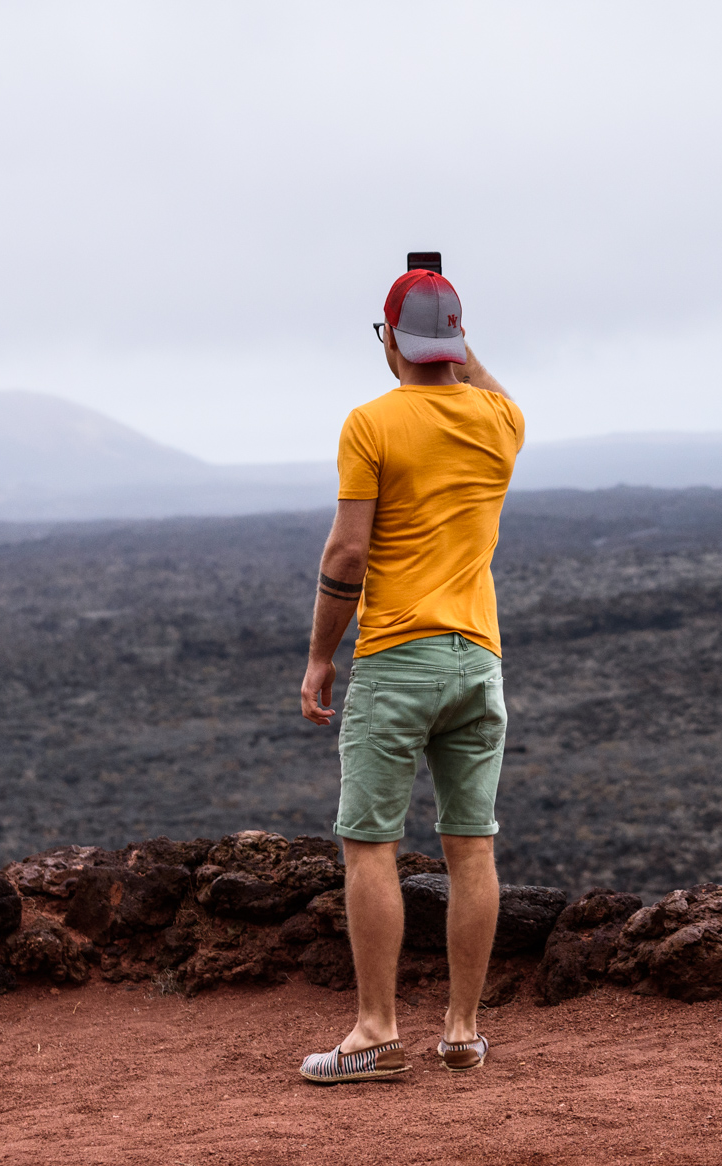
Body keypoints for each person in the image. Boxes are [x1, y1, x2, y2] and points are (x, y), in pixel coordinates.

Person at [295, 267, 523, 1083]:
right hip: (480, 661)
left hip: (396, 659)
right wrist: (452, 337)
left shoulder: (371, 424)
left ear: (391, 339)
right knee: (471, 849)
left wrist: (323, 656)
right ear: (458, 343)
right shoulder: (501, 421)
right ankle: (461, 1031)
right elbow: (478, 380)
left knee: (370, 847)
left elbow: (347, 553)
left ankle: (375, 1033)